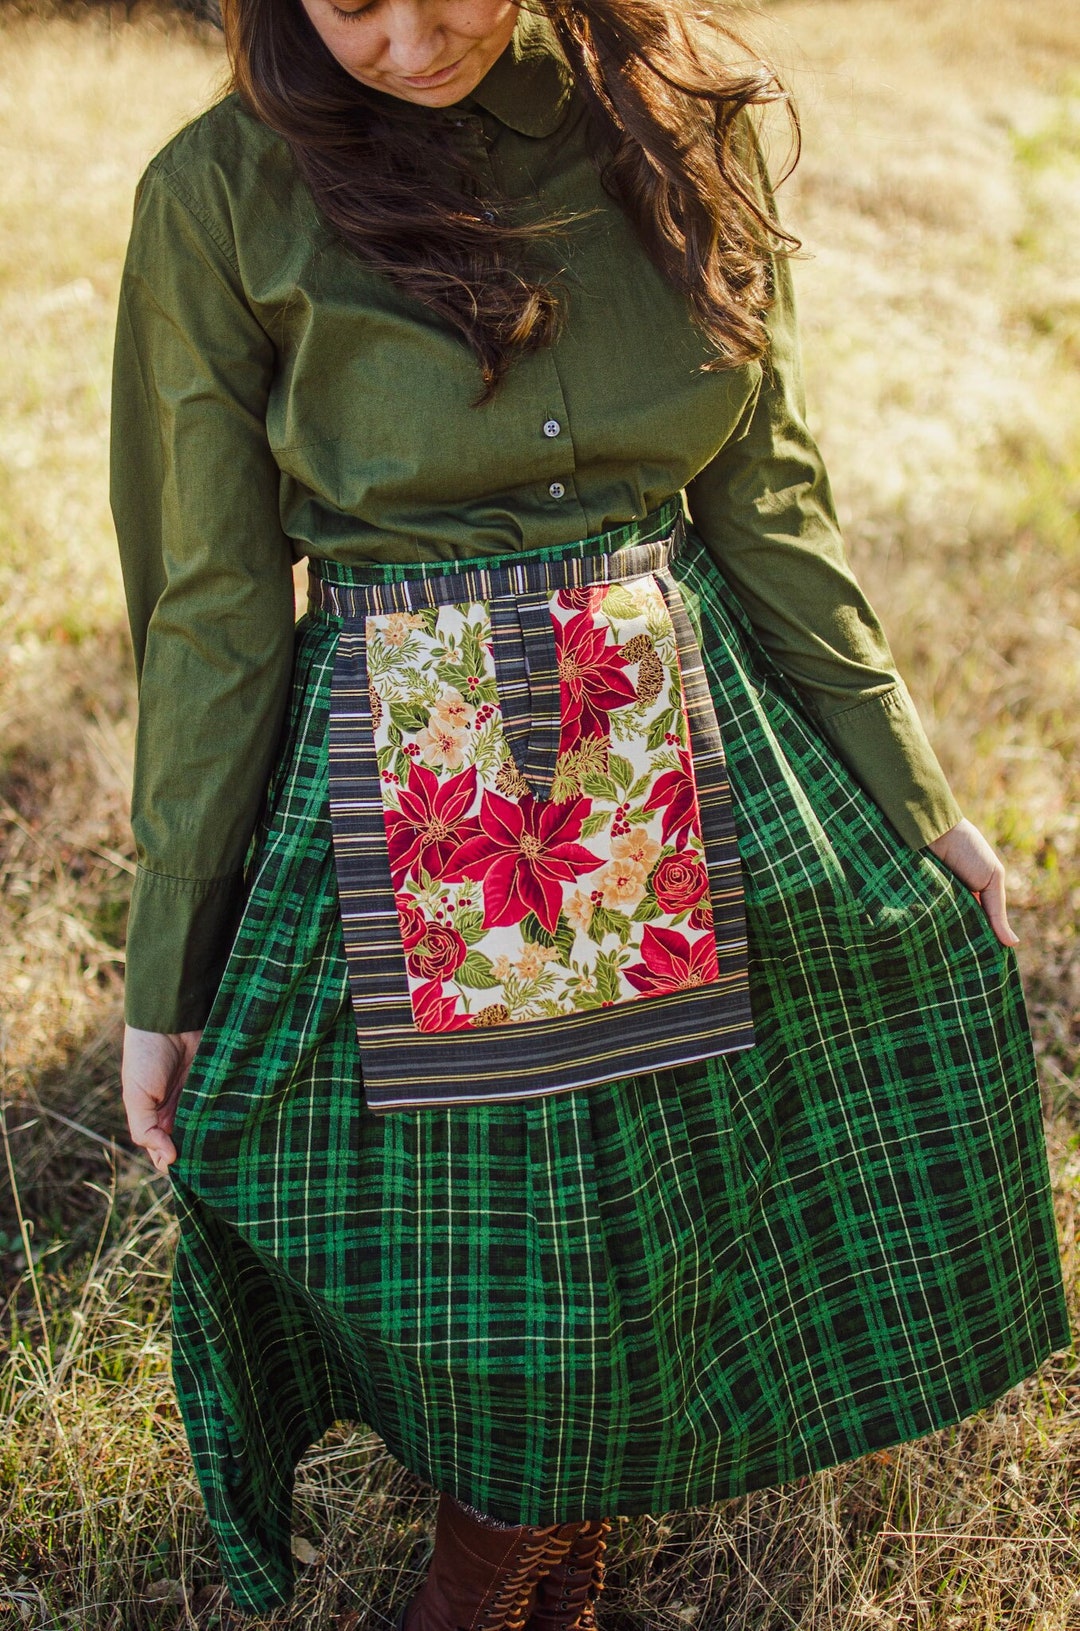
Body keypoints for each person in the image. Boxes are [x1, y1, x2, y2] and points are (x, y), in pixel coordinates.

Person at [111, 0, 1069, 1624]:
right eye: (349, 5)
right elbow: (209, 603)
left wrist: (909, 791)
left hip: (689, 743)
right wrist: (169, 959)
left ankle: (538, 1577)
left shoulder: (683, 112)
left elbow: (768, 490)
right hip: (415, 787)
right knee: (524, 1272)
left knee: (657, 1220)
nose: (410, 40)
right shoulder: (220, 190)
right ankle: (502, 1580)